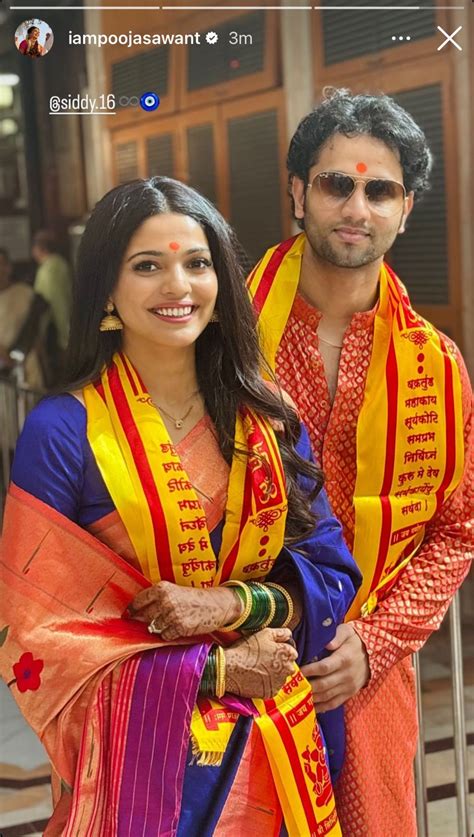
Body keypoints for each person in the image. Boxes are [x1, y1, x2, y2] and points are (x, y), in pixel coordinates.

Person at [0, 177, 361, 836]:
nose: (178, 285)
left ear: (221, 282)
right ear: (106, 290)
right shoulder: (63, 432)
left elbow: (332, 571)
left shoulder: (268, 420)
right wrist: (218, 667)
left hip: (281, 750)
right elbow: (35, 641)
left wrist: (230, 604)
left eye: (196, 263)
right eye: (147, 266)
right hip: (147, 772)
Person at [248, 88, 473, 835]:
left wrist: (372, 644)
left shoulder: (436, 366)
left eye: (380, 189)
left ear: (405, 208)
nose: (357, 206)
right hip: (237, 664)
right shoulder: (227, 341)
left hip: (368, 681)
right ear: (297, 195)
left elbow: (457, 529)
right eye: (336, 183)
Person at [32, 229, 73, 360]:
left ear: (40, 249)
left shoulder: (50, 268)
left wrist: (64, 338)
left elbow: (58, 302)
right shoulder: (58, 263)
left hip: (54, 330)